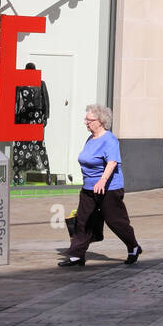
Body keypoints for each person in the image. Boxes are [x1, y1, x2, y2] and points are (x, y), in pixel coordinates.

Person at [60, 104, 142, 268]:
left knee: (115, 221)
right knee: (82, 221)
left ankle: (133, 246)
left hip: (109, 189)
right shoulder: (91, 138)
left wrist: (102, 180)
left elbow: (112, 162)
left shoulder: (109, 140)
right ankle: (76, 255)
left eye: (89, 120)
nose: (86, 122)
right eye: (86, 119)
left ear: (100, 121)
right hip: (89, 188)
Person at [12, 63, 51, 187]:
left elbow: (45, 100)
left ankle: (43, 173)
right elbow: (15, 101)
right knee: (30, 146)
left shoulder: (38, 83)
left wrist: (45, 117)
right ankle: (20, 174)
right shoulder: (21, 83)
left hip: (31, 118)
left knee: (31, 146)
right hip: (29, 118)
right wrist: (45, 117)